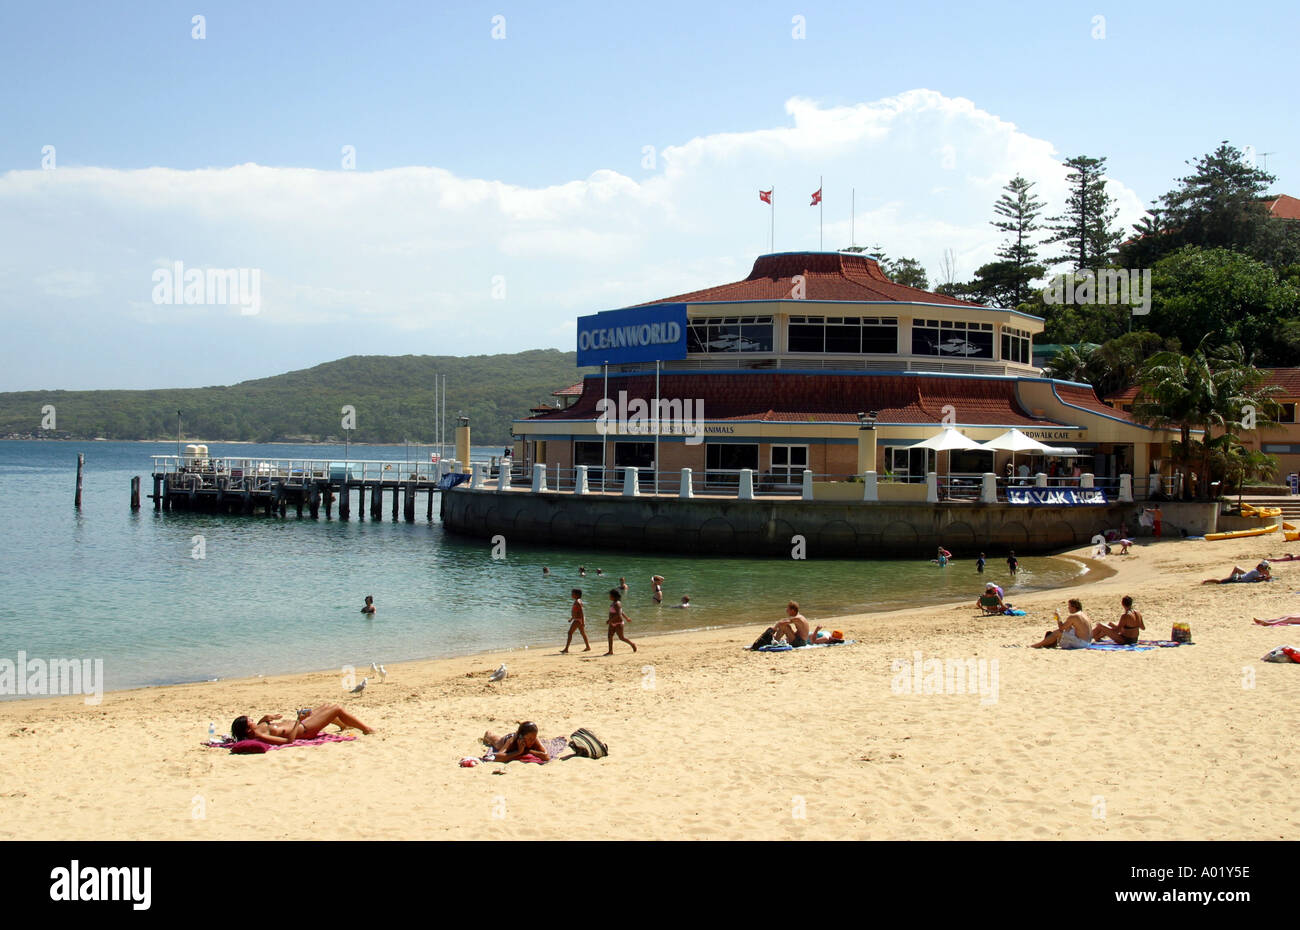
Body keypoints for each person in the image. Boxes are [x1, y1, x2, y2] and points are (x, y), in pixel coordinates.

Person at [231, 705, 374, 744]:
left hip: (302, 723)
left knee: (325, 706)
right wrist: (298, 720)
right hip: (306, 730)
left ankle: (342, 726)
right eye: (249, 721)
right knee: (336, 709)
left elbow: (265, 720)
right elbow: (288, 740)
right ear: (248, 730)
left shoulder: (259, 726)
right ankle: (366, 729)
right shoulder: (260, 735)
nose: (252, 720)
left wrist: (270, 717)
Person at [482, 721, 549, 763]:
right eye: (529, 739)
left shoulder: (534, 739)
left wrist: (528, 751)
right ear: (522, 737)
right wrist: (518, 752)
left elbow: (546, 756)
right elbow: (498, 757)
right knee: (496, 742)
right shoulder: (512, 740)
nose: (532, 741)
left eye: (534, 738)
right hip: (505, 740)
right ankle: (488, 734)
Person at [605, 589, 637, 654]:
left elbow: (619, 614)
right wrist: (609, 620)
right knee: (609, 636)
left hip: (618, 623)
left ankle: (632, 644)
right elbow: (621, 612)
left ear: (613, 596)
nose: (609, 596)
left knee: (621, 637)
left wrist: (610, 620)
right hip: (612, 623)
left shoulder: (617, 603)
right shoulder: (613, 603)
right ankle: (610, 651)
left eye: (610, 595)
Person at [561, 588, 590, 653]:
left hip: (578, 620)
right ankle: (588, 647)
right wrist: (571, 618)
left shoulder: (578, 602)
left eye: (572, 594)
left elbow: (581, 612)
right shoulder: (577, 601)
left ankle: (566, 649)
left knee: (570, 633)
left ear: (576, 595)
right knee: (582, 633)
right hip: (578, 619)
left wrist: (583, 622)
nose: (571, 595)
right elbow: (576, 612)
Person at [1202, 561, 1272, 584]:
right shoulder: (1255, 572)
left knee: (1221, 581)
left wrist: (1266, 576)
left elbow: (1259, 578)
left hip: (1238, 577)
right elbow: (1258, 579)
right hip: (1236, 578)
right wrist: (1265, 578)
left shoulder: (1257, 571)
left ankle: (1206, 581)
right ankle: (1206, 581)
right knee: (1220, 582)